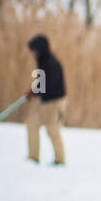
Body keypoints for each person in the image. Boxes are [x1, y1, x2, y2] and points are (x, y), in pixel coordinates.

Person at [25, 34, 67, 166]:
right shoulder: (43, 61)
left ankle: (60, 160)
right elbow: (42, 83)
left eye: (35, 50)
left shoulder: (51, 62)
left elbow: (50, 84)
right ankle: (33, 157)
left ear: (41, 49)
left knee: (52, 129)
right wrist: (33, 91)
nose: (33, 53)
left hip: (54, 102)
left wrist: (35, 91)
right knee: (32, 124)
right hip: (45, 101)